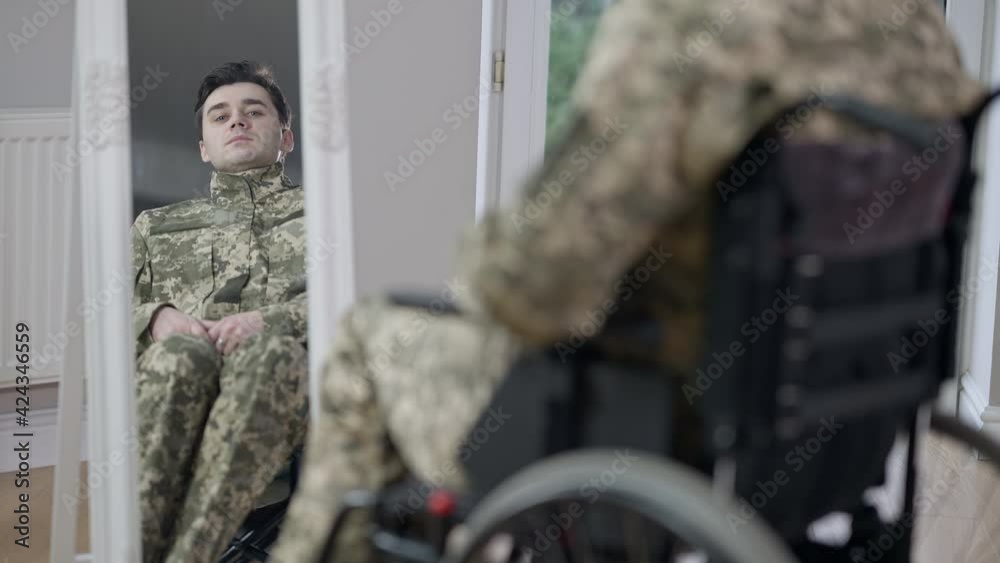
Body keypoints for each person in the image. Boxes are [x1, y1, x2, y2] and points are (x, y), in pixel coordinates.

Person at [270, 0, 986, 561]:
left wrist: (483, 262)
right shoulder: (919, 30)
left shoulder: (687, 19)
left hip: (660, 424)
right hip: (844, 428)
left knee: (369, 336)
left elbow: (526, 287)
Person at [129, 60, 309, 563]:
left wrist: (269, 322)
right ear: (204, 148)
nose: (237, 121)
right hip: (175, 380)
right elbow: (96, 312)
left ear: (286, 138)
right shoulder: (154, 227)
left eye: (254, 111)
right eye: (220, 115)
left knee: (270, 354)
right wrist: (156, 318)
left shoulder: (330, 214)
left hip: (287, 382)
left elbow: (358, 298)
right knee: (181, 355)